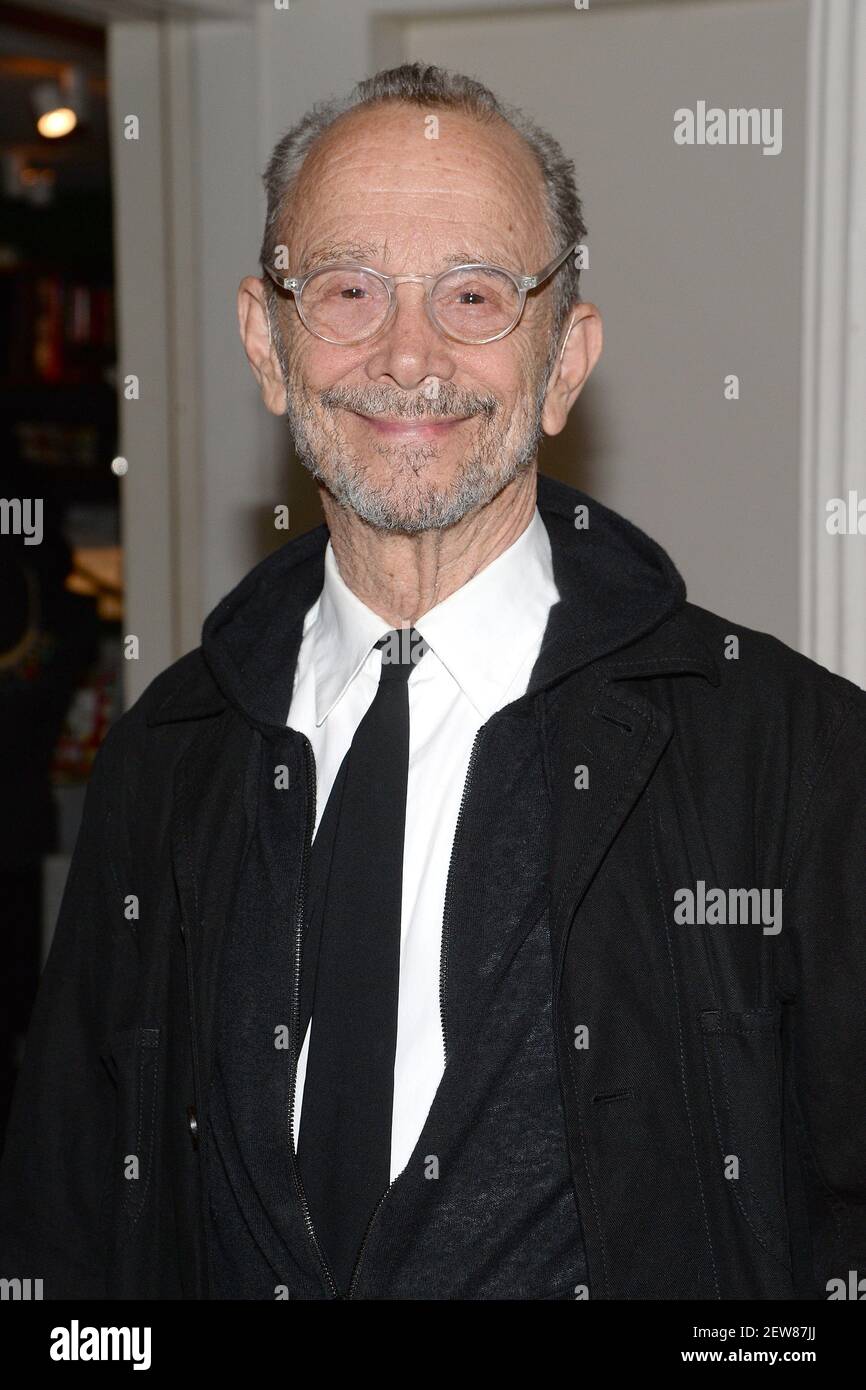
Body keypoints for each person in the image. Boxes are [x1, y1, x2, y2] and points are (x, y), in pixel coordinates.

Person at [0, 62, 864, 1301]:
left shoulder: (794, 759)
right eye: (348, 289)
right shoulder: (167, 756)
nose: (408, 357)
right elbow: (65, 1230)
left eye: (473, 295)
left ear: (564, 357)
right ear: (267, 341)